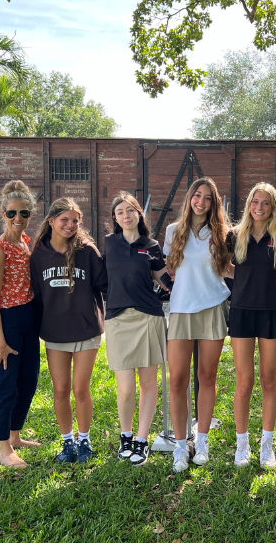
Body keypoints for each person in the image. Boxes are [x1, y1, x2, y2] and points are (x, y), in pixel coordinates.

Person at [30, 198, 107, 464]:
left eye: (75, 220)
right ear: (51, 221)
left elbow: (106, 285)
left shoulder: (87, 251)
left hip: (87, 330)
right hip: (55, 332)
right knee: (61, 389)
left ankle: (84, 440)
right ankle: (67, 442)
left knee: (80, 388)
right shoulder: (39, 254)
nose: (70, 225)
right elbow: (37, 295)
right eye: (65, 219)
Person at [227, 182, 276, 469]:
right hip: (242, 311)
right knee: (244, 382)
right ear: (249, 204)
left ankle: (266, 445)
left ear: (273, 207)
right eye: (255, 202)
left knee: (269, 380)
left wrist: (271, 283)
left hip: (271, 311)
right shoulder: (234, 236)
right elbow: (222, 267)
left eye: (265, 203)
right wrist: (244, 281)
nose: (259, 207)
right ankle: (241, 444)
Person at [164, 178, 231, 473]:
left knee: (207, 376)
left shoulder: (221, 234)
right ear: (189, 197)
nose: (200, 201)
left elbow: (230, 268)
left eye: (207, 197)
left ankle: (201, 441)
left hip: (213, 307)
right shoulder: (172, 231)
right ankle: (181, 445)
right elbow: (167, 269)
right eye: (196, 195)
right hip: (180, 310)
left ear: (213, 202)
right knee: (177, 379)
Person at [104, 192, 170, 466]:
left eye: (130, 210)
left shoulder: (151, 245)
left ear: (138, 215)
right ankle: (126, 436)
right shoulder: (107, 244)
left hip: (148, 318)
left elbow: (165, 277)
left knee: (148, 384)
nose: (126, 215)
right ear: (115, 219)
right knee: (125, 388)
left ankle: (142, 441)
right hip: (118, 320)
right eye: (120, 212)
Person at [0, 180, 41, 469]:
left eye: (24, 213)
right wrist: (0, 341)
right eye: (12, 213)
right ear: (3, 214)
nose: (18, 219)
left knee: (28, 380)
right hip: (6, 320)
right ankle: (3, 449)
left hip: (28, 317)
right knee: (6, 384)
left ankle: (15, 435)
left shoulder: (26, 243)